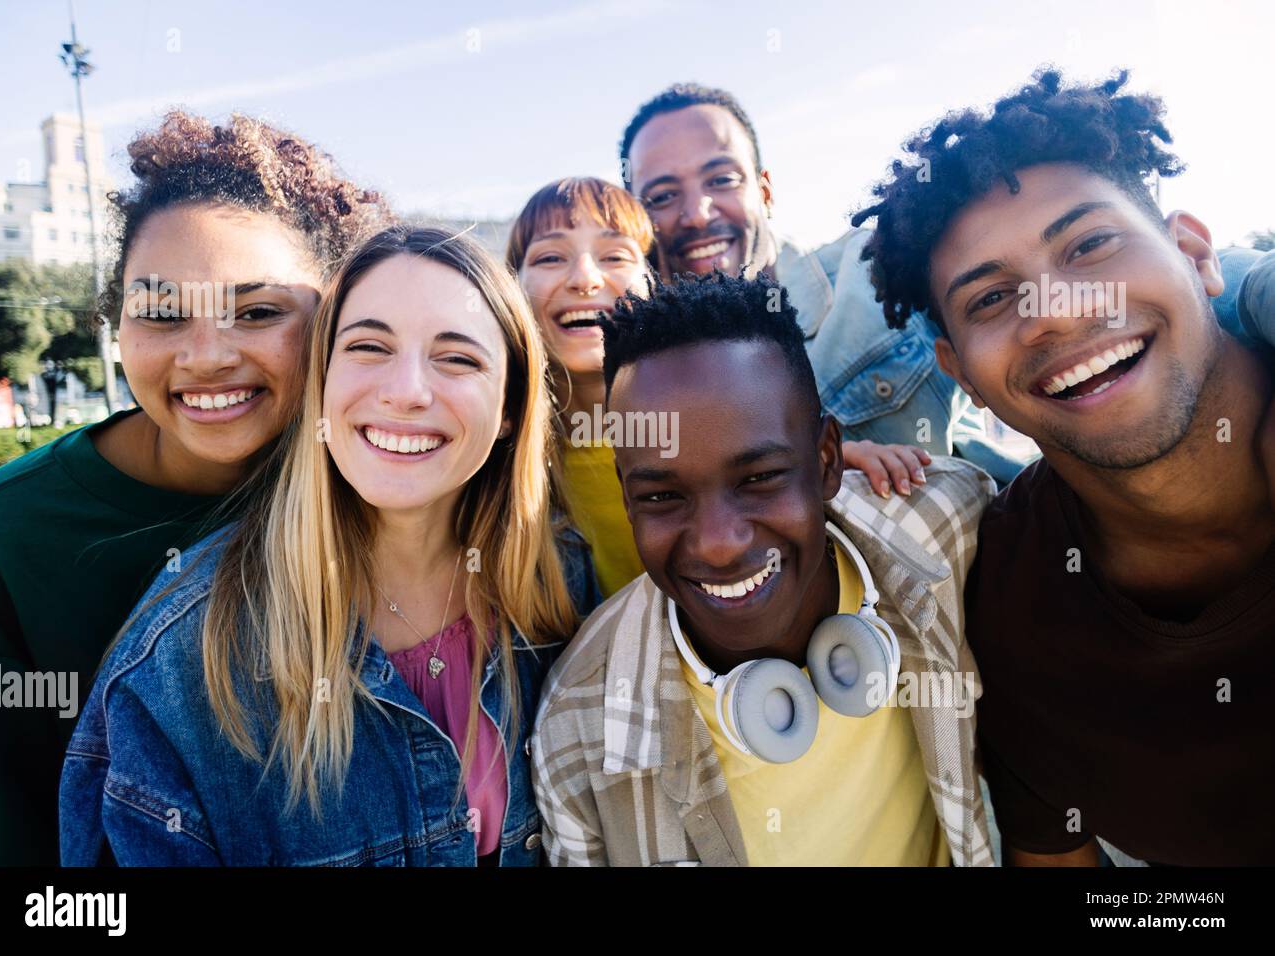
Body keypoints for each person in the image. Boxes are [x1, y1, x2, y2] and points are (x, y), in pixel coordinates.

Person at [59, 226, 598, 866]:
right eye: (369, 347)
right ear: (322, 381)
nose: (406, 391)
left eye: (457, 358)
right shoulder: (181, 662)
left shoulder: (560, 581)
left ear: (509, 407)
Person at [851, 68, 1275, 865]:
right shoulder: (1010, 612)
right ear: (961, 372)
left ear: (1194, 253)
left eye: (1089, 245)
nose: (1054, 311)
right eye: (989, 299)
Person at [0, 111, 387, 866]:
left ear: (336, 319)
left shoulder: (391, 485)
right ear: (116, 321)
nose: (205, 356)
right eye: (162, 315)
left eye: (257, 312)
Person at [532, 271, 996, 866]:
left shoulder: (948, 529)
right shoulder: (579, 723)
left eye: (759, 479)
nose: (719, 544)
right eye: (662, 497)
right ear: (626, 500)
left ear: (828, 460)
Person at [509, 176, 935, 598]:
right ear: (512, 289)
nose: (585, 278)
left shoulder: (723, 419)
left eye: (615, 256)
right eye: (550, 258)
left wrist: (807, 464)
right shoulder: (502, 467)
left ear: (654, 281)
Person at [618, 83, 1027, 486]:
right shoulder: (624, 367)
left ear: (764, 191)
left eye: (722, 179)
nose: (697, 214)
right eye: (662, 196)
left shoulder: (880, 270)